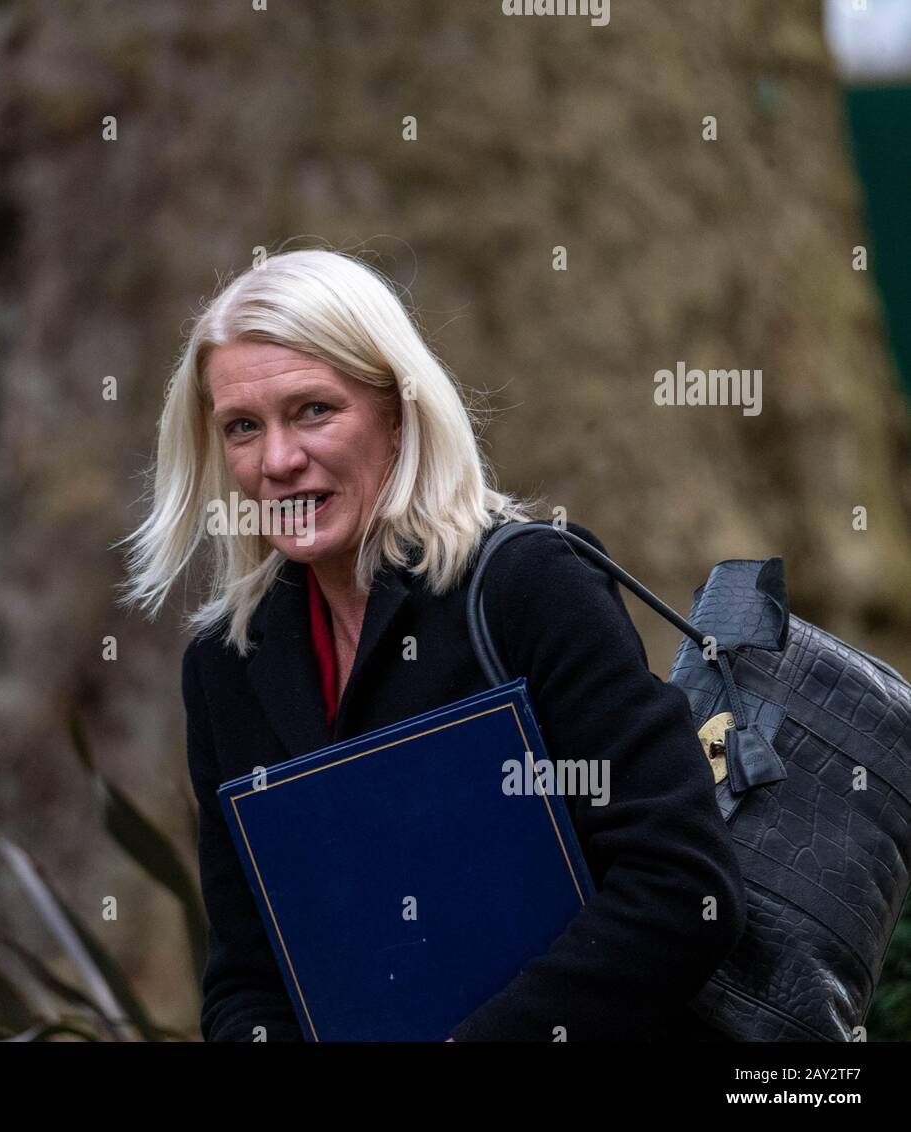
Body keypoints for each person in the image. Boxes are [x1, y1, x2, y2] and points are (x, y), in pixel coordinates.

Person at [117, 247, 747, 1041]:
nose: (276, 460)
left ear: (398, 410)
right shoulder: (226, 666)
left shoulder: (529, 586)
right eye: (243, 427)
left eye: (314, 410)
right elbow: (249, 974)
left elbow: (683, 890)